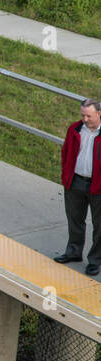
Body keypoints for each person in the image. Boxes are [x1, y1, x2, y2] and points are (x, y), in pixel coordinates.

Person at [56, 99, 101, 276]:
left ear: (99, 114)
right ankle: (73, 252)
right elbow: (66, 151)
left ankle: (95, 261)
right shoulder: (75, 129)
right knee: (75, 219)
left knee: (100, 226)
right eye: (82, 115)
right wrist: (66, 174)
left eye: (88, 115)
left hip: (98, 186)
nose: (84, 119)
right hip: (75, 182)